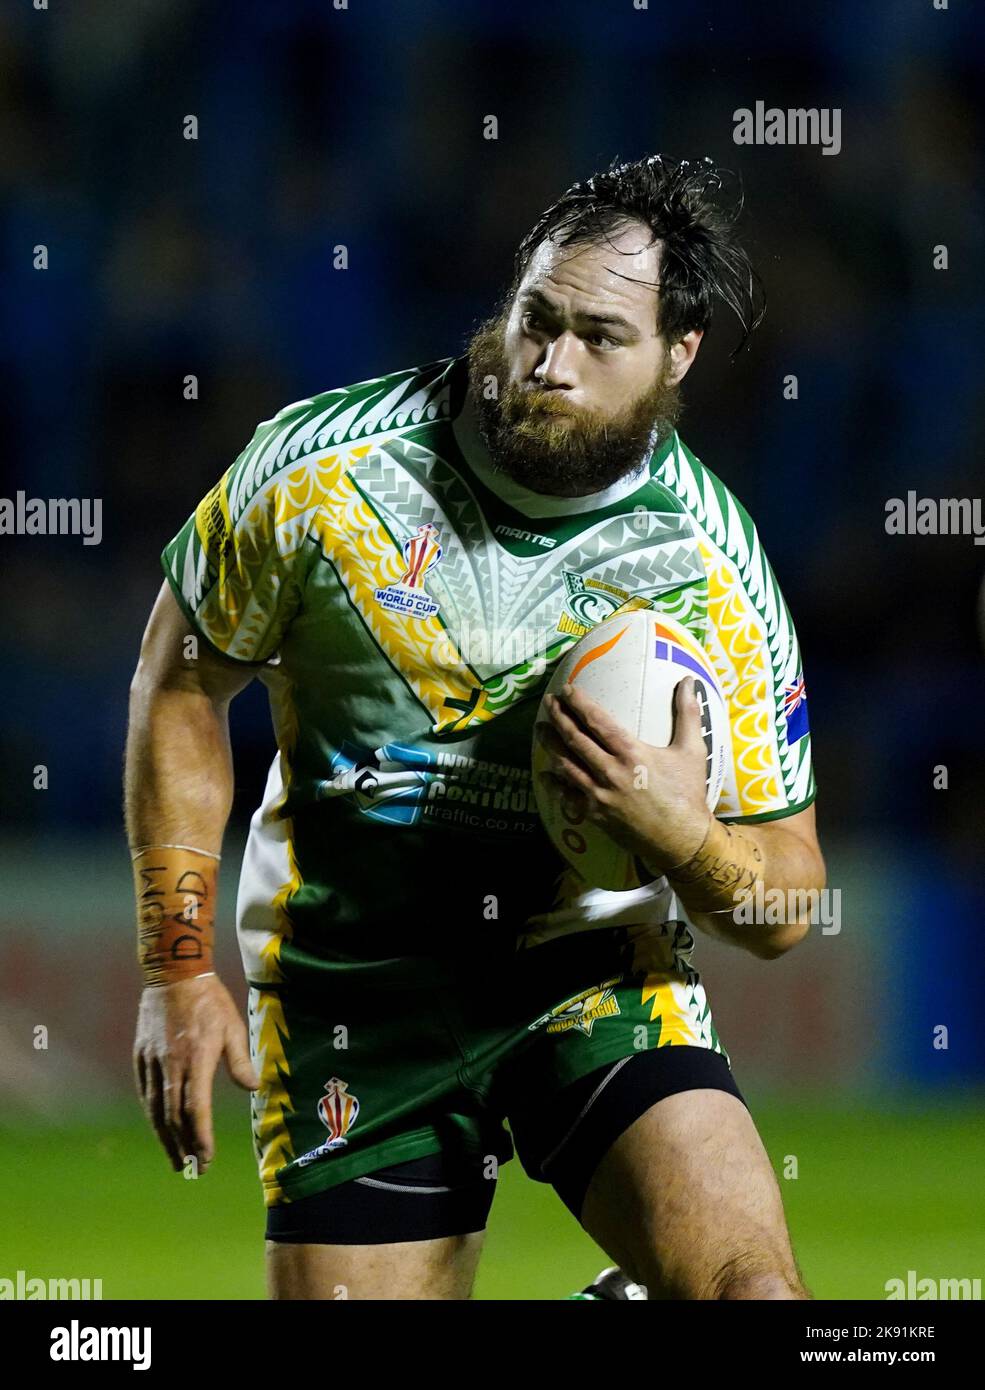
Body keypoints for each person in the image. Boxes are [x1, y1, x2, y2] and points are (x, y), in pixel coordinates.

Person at [126, 154, 825, 1301]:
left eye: (600, 337)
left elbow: (790, 898)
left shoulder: (713, 569)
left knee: (754, 1298)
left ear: (676, 357)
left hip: (591, 976)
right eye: (533, 319)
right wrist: (174, 969)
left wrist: (680, 832)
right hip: (356, 992)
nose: (547, 364)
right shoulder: (321, 474)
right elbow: (181, 682)